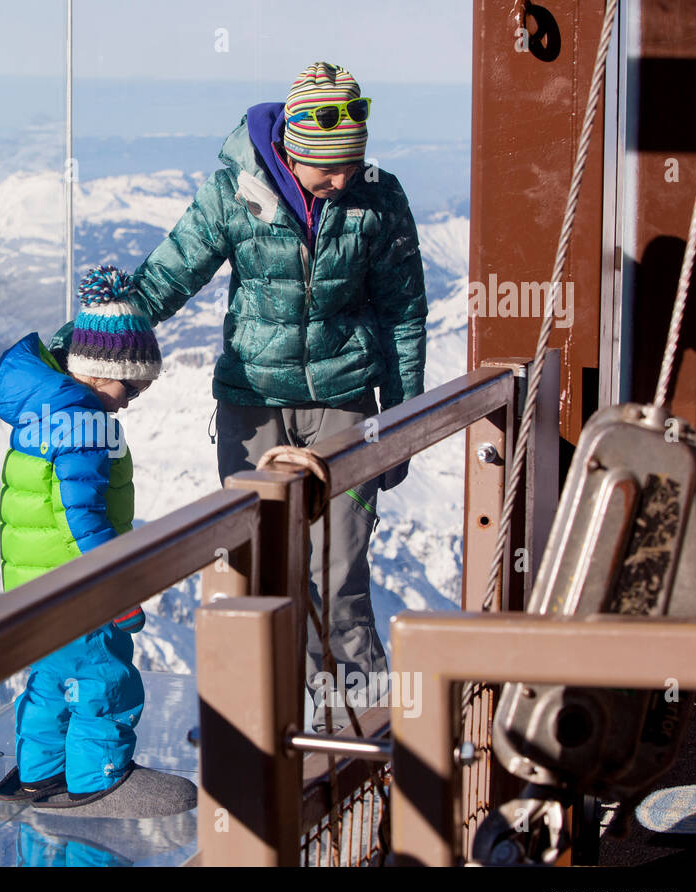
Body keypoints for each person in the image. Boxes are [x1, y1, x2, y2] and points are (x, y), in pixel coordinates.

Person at [52, 63, 428, 731]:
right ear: (293, 150)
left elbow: (404, 311)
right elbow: (167, 277)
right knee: (257, 565)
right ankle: (265, 715)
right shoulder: (234, 193)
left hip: (344, 399)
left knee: (341, 565)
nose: (343, 178)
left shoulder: (379, 198)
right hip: (253, 404)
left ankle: (362, 721)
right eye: (329, 168)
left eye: (353, 163)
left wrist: (400, 422)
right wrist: (76, 346)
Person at [0, 265, 193, 810]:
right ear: (100, 373)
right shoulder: (83, 423)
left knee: (53, 682)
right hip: (79, 588)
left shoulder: (49, 409)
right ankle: (100, 779)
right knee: (103, 678)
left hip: (36, 586)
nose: (132, 400)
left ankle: (41, 774)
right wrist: (118, 591)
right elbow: (85, 520)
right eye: (132, 386)